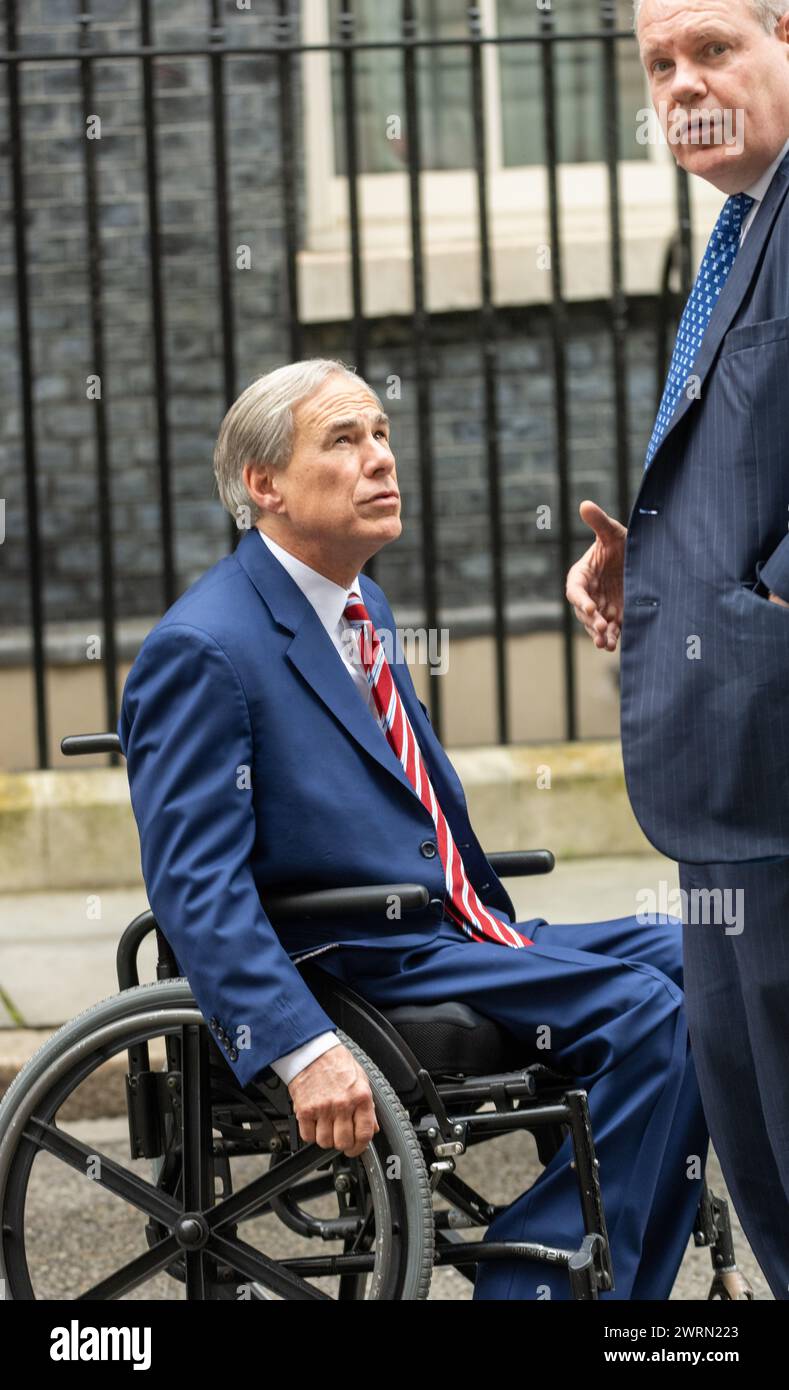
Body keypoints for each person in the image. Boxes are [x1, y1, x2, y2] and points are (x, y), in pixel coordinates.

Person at [119, 358, 708, 1300]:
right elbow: (194, 883)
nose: (380, 459)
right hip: (353, 959)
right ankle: (538, 1287)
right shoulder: (205, 647)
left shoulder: (359, 607)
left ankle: (604, 1260)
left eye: (381, 435)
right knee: (652, 1012)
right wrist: (301, 1048)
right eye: (343, 441)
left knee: (705, 951)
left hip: (444, 932)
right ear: (262, 486)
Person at [566, 0, 789, 1300]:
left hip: (775, 759)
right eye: (659, 62)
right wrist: (657, 566)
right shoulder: (740, 226)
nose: (683, 82)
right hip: (720, 787)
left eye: (713, 47)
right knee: (753, 1140)